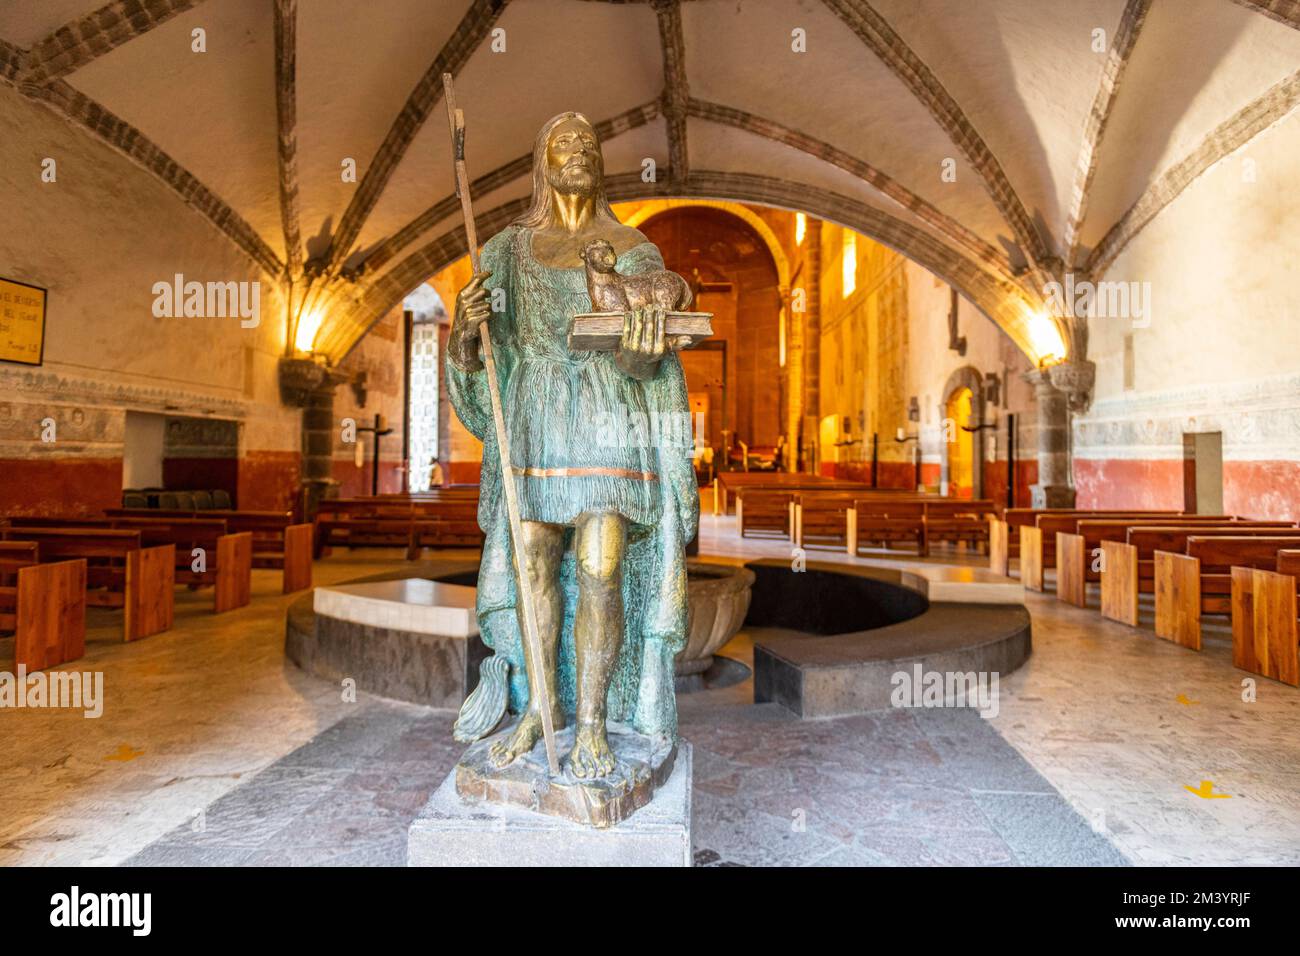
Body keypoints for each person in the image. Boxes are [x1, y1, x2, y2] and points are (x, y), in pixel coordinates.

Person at [445, 112, 698, 778]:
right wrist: (465, 334)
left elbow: (653, 363)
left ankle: (591, 726)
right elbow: (480, 358)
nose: (580, 151)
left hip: (607, 419)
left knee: (600, 567)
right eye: (564, 143)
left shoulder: (632, 247)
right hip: (534, 420)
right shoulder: (506, 247)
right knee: (532, 564)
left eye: (589, 144)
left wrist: (644, 347)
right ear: (542, 161)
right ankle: (539, 709)